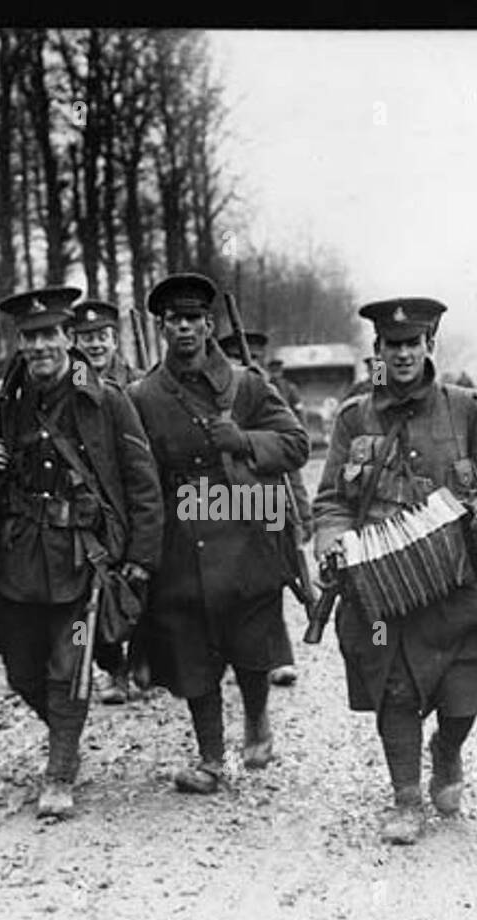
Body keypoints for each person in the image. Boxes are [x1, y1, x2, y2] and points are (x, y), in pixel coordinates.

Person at [0, 285, 163, 818]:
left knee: (68, 664)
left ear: (66, 338)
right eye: (30, 337)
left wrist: (140, 560)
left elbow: (141, 483)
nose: (40, 347)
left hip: (82, 559)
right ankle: (66, 735)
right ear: (21, 342)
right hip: (13, 559)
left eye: (49, 335)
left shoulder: (105, 399)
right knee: (22, 672)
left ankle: (59, 771)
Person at [313, 297, 477, 844]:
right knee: (396, 691)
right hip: (382, 588)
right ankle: (406, 799)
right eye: (392, 344)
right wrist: (333, 544)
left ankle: (448, 749)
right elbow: (332, 500)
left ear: (430, 345)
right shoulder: (354, 418)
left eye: (413, 343)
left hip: (457, 577)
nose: (403, 354)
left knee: (469, 685)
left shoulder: (469, 410)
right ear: (378, 350)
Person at [127, 274, 310, 793]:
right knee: (189, 643)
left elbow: (295, 443)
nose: (184, 328)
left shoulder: (247, 385)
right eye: (174, 320)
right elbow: (134, 468)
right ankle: (210, 757)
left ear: (210, 325)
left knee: (250, 637)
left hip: (246, 524)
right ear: (162, 328)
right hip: (180, 534)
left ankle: (256, 721)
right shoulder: (142, 395)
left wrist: (246, 440)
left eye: (194, 319)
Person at [217, 331, 312, 688]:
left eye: (254, 357)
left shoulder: (273, 391)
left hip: (268, 498)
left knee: (272, 579)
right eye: (240, 357)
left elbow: (292, 457)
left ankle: (279, 656)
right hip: (221, 503)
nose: (247, 363)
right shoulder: (218, 394)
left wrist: (301, 512)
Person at [73, 298, 143, 704]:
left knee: (142, 585)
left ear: (115, 340)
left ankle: (143, 659)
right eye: (87, 338)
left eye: (102, 337)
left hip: (132, 496)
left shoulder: (137, 383)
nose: (95, 345)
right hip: (91, 507)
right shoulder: (67, 385)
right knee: (94, 591)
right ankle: (113, 669)